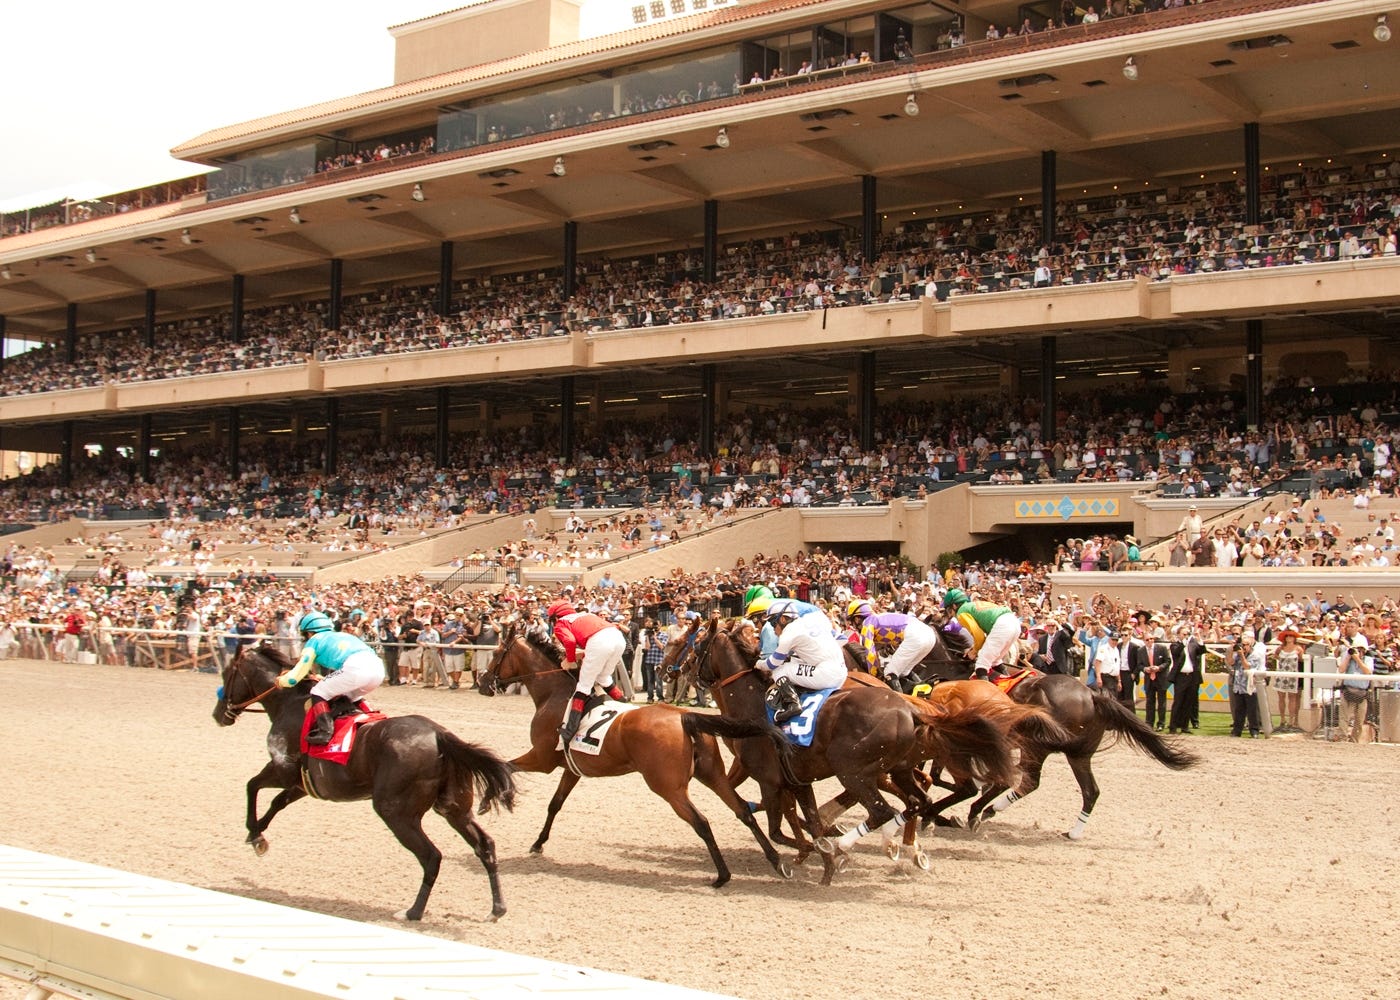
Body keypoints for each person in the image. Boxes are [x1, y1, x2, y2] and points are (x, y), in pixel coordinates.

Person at [276, 611, 386, 746]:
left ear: (309, 633)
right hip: (378, 669)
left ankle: (325, 731)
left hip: (356, 669)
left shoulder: (314, 641)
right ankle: (370, 716)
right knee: (344, 694)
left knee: (318, 691)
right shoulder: (343, 635)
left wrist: (283, 681)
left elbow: (298, 672)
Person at [548, 600, 628, 742]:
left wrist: (570, 661)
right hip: (618, 638)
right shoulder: (585, 615)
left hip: (599, 642)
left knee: (584, 686)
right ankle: (625, 705)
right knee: (604, 678)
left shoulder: (560, 624)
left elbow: (570, 641)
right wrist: (581, 654)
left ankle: (570, 730)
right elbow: (593, 642)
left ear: (555, 618)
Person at [759, 598, 847, 722]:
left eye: (773, 623)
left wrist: (758, 664)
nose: (773, 629)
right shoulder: (811, 622)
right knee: (795, 661)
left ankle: (793, 704)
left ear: (783, 619)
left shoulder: (788, 633)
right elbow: (843, 639)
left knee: (780, 670)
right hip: (842, 671)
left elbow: (773, 663)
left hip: (826, 674)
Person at [846, 599, 938, 693]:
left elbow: (870, 654)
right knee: (904, 672)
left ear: (857, 619)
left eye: (852, 621)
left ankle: (902, 702)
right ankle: (926, 695)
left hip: (915, 636)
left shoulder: (867, 624)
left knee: (890, 672)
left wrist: (874, 676)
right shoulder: (879, 618)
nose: (853, 625)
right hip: (930, 635)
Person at [941, 587, 1022, 681]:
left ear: (954, 606)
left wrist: (974, 651)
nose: (949, 613)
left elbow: (979, 636)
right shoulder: (972, 605)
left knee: (981, 664)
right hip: (1014, 622)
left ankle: (984, 693)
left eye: (948, 609)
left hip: (1002, 625)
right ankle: (1009, 684)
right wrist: (974, 647)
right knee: (995, 661)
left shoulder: (961, 612)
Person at [1335, 622, 1375, 743]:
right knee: (1344, 717)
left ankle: (1354, 740)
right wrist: (1348, 656)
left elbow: (1368, 672)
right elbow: (1341, 669)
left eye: (1360, 649)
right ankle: (1342, 738)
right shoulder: (1347, 656)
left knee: (1359, 719)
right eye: (1357, 649)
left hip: (1362, 692)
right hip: (1348, 690)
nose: (1358, 651)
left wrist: (1357, 659)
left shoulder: (1368, 659)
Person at [1226, 634, 1264, 738]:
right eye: (1242, 644)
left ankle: (1254, 730)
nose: (1243, 647)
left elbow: (1247, 666)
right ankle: (1237, 731)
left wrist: (1242, 655)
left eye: (1245, 645)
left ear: (1250, 645)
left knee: (1252, 710)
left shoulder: (1255, 655)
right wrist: (1230, 650)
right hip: (1239, 685)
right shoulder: (1237, 654)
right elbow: (1230, 662)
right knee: (1239, 710)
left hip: (1250, 686)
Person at [1271, 629, 1304, 732]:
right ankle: (1282, 719)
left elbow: (1301, 660)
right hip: (1281, 674)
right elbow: (1275, 656)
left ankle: (1291, 720)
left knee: (1292, 697)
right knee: (1281, 697)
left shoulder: (1298, 648)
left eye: (1291, 636)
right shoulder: (1280, 648)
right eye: (1287, 636)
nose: (1289, 638)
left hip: (1292, 675)